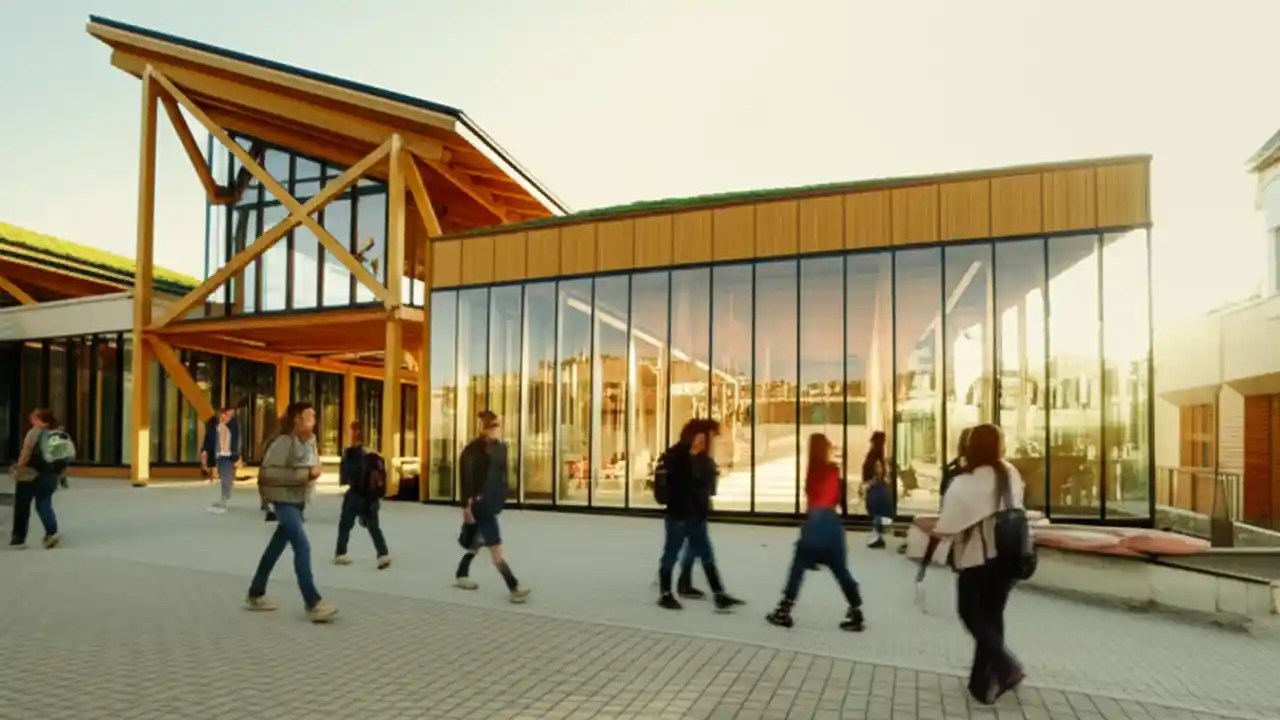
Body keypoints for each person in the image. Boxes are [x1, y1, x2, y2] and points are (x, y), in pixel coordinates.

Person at [932, 423, 1026, 705]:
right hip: (1010, 556)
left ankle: (1007, 665)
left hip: (977, 560)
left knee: (970, 614)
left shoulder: (964, 483)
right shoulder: (1009, 474)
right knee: (992, 617)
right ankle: (980, 684)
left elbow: (948, 525)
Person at [245, 402, 337, 623]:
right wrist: (307, 475)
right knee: (302, 546)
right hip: (283, 501)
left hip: (299, 501)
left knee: (275, 547)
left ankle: (255, 593)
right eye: (309, 416)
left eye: (315, 416)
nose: (314, 420)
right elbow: (268, 475)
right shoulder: (282, 443)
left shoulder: (312, 442)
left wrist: (313, 473)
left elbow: (309, 467)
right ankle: (313, 601)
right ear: (297, 418)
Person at [765, 433, 865, 631]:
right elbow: (836, 497)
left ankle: (784, 609)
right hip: (832, 525)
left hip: (815, 524)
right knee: (840, 570)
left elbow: (812, 498)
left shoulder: (812, 473)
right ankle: (856, 609)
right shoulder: (833, 471)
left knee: (798, 566)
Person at [657, 418, 744, 612]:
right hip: (678, 516)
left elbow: (707, 486)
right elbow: (677, 487)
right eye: (708, 437)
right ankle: (665, 593)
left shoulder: (704, 458)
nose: (710, 441)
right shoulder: (676, 456)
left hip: (697, 515)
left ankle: (718, 593)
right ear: (695, 436)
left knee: (706, 555)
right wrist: (692, 459)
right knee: (671, 554)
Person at [454, 410, 530, 603]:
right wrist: (467, 506)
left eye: (497, 425)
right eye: (492, 426)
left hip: (492, 501)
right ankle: (513, 586)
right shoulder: (472, 450)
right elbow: (465, 479)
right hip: (480, 504)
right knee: (495, 547)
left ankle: (461, 574)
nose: (495, 429)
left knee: (476, 542)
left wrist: (505, 494)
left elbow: (503, 474)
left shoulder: (501, 448)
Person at [918, 428, 972, 584]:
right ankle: (926, 567)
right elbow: (945, 490)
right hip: (959, 509)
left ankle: (927, 568)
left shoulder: (966, 466)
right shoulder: (957, 466)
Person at [334, 422, 390, 569]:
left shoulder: (351, 453)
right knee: (374, 526)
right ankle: (383, 553)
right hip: (371, 496)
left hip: (354, 494)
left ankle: (341, 552)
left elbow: (346, 475)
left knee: (345, 524)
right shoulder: (374, 455)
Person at [675, 418, 720, 599]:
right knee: (703, 551)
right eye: (711, 436)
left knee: (694, 548)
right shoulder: (691, 457)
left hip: (696, 510)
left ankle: (684, 583)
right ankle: (718, 592)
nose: (713, 440)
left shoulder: (699, 457)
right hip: (692, 510)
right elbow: (693, 483)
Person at [8, 409, 63, 549]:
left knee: (22, 506)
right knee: (44, 505)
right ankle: (52, 532)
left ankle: (18, 538)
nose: (32, 421)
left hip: (30, 475)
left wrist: (18, 467)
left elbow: (26, 453)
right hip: (50, 477)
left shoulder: (35, 432)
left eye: (35, 419)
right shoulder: (58, 434)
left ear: (43, 422)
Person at [201, 407, 241, 515]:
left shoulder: (233, 426)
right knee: (224, 476)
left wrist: (237, 455)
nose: (225, 417)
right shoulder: (215, 427)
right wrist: (205, 450)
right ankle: (225, 496)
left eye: (229, 415)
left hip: (228, 455)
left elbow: (237, 441)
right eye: (224, 414)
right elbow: (208, 439)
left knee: (225, 476)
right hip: (219, 455)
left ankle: (225, 496)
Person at [862, 431, 892, 548]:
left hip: (874, 489)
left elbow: (874, 474)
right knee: (879, 514)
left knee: (876, 514)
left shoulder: (872, 456)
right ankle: (877, 537)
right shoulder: (878, 457)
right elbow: (880, 475)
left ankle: (877, 537)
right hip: (879, 489)